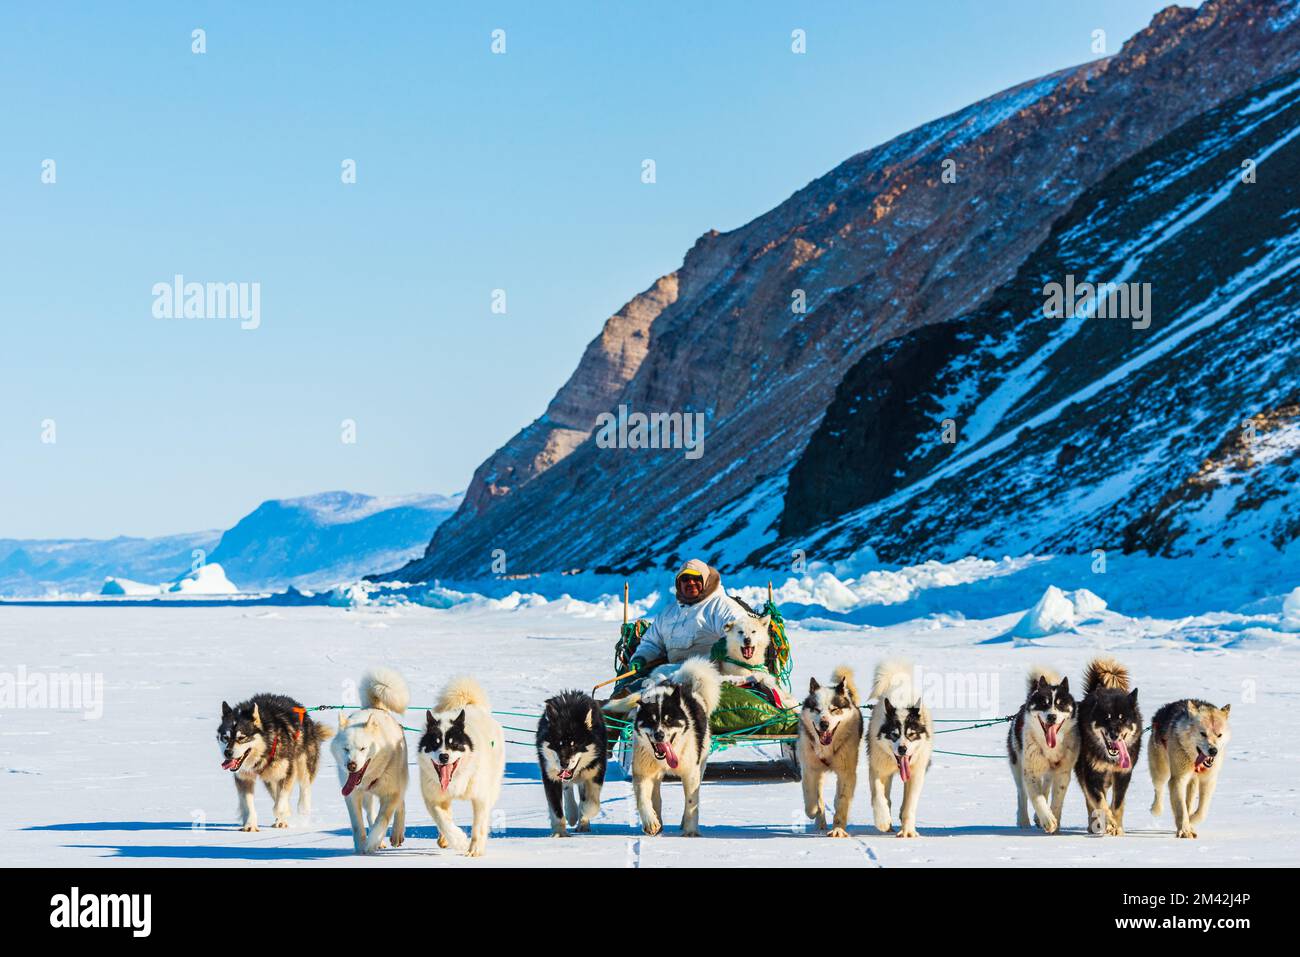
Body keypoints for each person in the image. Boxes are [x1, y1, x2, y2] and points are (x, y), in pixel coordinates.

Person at [628, 559, 748, 679]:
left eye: (696, 578)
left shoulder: (719, 605)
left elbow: (743, 628)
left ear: (706, 580)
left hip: (711, 673)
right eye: (685, 579)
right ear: (678, 584)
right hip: (672, 674)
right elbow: (651, 643)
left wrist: (725, 644)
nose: (691, 582)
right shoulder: (667, 613)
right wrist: (642, 657)